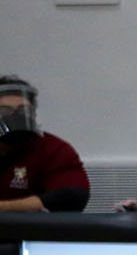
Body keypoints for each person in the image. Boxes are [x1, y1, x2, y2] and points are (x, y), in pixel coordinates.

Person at [0, 75, 89, 213]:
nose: (15, 117)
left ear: (33, 114)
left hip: (31, 231)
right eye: (4, 111)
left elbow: (72, 196)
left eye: (24, 111)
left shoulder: (53, 148)